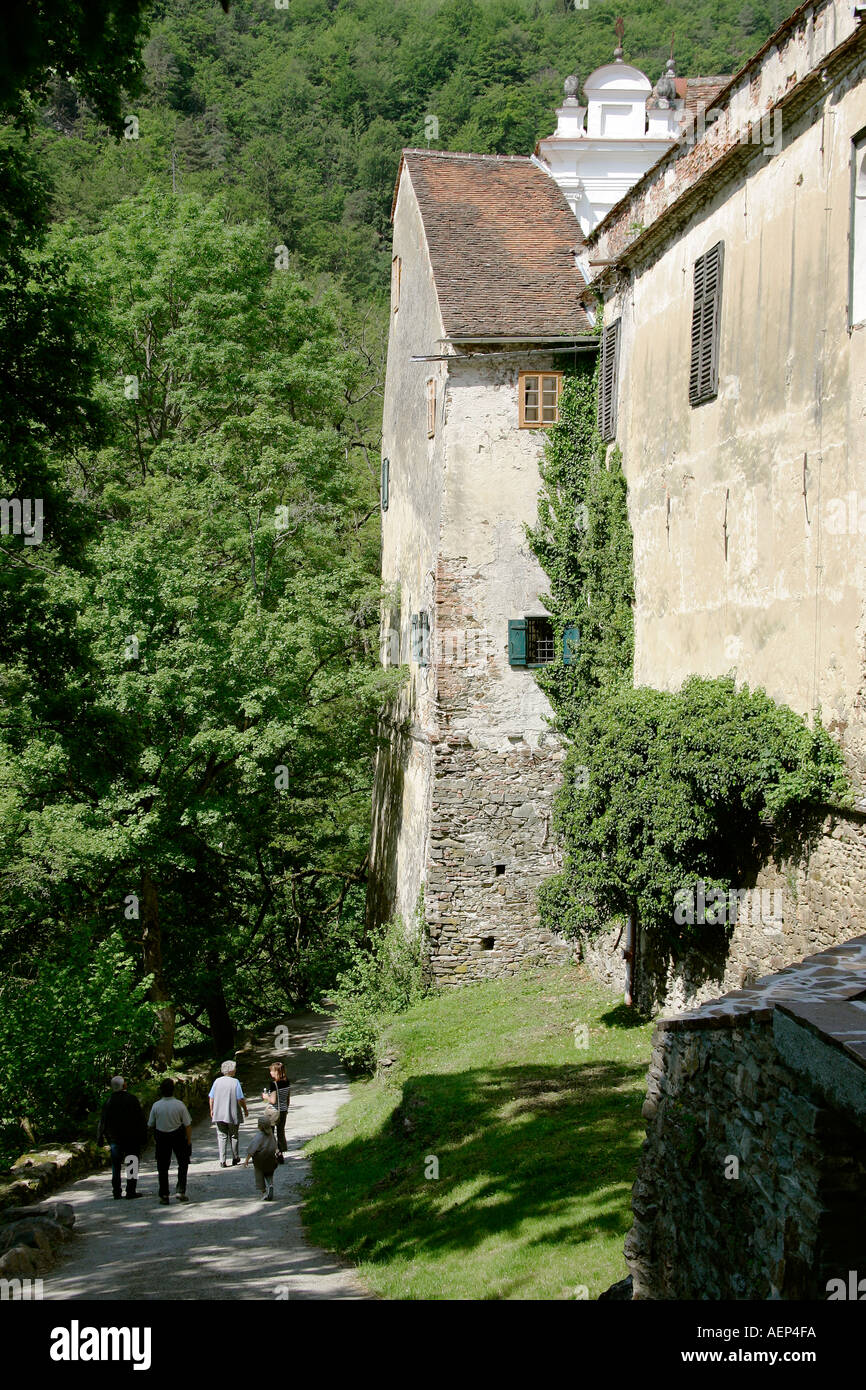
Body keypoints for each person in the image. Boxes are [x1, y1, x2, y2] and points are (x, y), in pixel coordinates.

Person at [97, 1076, 147, 1200]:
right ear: (124, 1085)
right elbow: (140, 1119)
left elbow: (102, 1121)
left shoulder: (108, 1102)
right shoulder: (132, 1099)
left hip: (115, 1139)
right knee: (132, 1162)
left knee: (116, 1165)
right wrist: (143, 1135)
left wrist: (100, 1137)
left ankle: (116, 1192)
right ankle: (130, 1190)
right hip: (131, 1138)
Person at [147, 1079, 192, 1206]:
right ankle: (180, 1191)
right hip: (178, 1135)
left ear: (161, 1090)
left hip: (161, 1137)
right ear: (173, 1089)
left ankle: (164, 1194)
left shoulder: (156, 1105)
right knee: (183, 1163)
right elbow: (187, 1124)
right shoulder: (179, 1105)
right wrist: (188, 1140)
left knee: (162, 1167)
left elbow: (150, 1124)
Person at [208, 1060, 249, 1167]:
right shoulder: (235, 1082)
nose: (235, 1070)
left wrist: (211, 1110)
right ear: (231, 1070)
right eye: (234, 1068)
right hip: (232, 1113)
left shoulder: (217, 1081)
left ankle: (222, 1160)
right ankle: (235, 1157)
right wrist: (245, 1110)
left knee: (221, 1136)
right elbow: (240, 1098)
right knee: (234, 1135)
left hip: (219, 1113)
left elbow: (211, 1098)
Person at [244, 1116, 278, 1201]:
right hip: (271, 1158)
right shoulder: (271, 1135)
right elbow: (275, 1145)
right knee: (269, 1173)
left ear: (259, 1126)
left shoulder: (258, 1136)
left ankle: (264, 1192)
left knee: (259, 1174)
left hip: (260, 1160)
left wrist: (247, 1160)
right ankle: (270, 1184)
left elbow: (252, 1149)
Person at [262, 1061, 291, 1155]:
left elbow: (273, 1100)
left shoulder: (274, 1084)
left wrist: (266, 1097)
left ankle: (276, 1151)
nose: (270, 1073)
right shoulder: (287, 1082)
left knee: (270, 1132)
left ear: (277, 1072)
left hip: (274, 1112)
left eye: (272, 1071)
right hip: (283, 1110)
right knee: (281, 1132)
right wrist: (286, 1109)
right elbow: (287, 1098)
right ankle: (282, 1150)